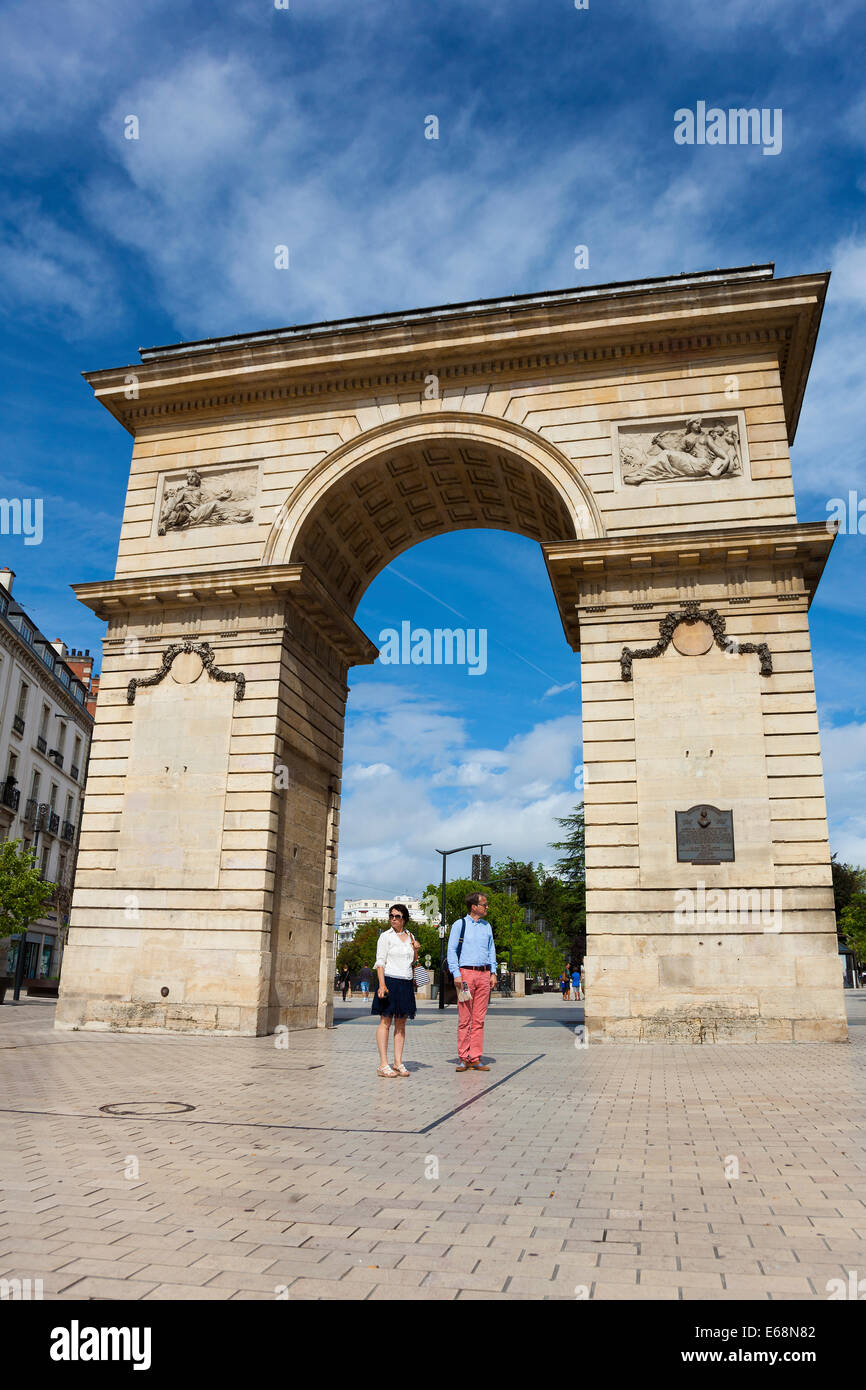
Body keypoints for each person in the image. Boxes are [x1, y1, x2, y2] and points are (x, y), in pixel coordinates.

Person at [447, 892, 497, 1072]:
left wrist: (493, 972)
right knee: (464, 1018)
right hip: (466, 974)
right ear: (474, 906)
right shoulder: (459, 925)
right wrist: (456, 973)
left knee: (479, 1019)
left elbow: (492, 949)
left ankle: (475, 1057)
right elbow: (451, 950)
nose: (487, 907)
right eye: (484, 904)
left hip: (484, 974)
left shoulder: (487, 926)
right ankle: (463, 1057)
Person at [372, 904, 419, 1078]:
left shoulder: (411, 936)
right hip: (390, 981)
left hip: (405, 982)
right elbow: (380, 962)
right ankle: (383, 1064)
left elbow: (413, 962)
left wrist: (415, 950)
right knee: (385, 1021)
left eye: (397, 916)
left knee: (401, 1023)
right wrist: (382, 985)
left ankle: (398, 1062)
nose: (393, 918)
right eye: (391, 915)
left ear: (404, 919)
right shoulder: (385, 937)